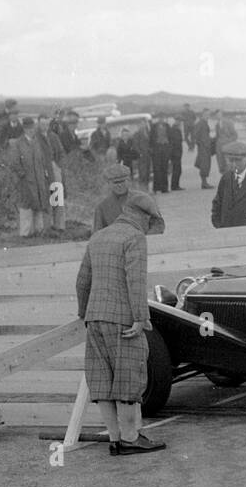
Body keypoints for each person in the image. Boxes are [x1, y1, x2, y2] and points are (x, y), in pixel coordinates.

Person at [76, 193, 166, 456]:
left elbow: (82, 282)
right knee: (129, 377)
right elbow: (135, 281)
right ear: (144, 217)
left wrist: (85, 313)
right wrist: (140, 318)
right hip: (123, 320)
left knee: (102, 378)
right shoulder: (134, 237)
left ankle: (114, 438)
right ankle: (130, 438)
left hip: (95, 317)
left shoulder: (98, 236)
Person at [94, 162, 166, 233]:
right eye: (116, 182)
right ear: (108, 183)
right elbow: (98, 232)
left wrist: (148, 235)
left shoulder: (143, 199)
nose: (119, 185)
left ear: (129, 181)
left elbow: (158, 223)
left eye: (122, 181)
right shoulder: (102, 207)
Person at [14, 116, 52, 236]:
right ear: (24, 129)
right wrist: (22, 175)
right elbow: (14, 162)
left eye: (32, 128)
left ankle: (38, 231)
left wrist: (44, 175)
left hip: (39, 179)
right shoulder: (18, 143)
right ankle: (25, 233)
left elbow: (42, 159)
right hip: (26, 180)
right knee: (26, 206)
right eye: (27, 128)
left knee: (39, 204)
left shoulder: (37, 142)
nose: (30, 130)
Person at [36, 114, 67, 233]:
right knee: (46, 198)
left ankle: (59, 225)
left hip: (54, 168)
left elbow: (61, 152)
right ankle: (47, 227)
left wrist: (58, 165)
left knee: (57, 197)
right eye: (42, 124)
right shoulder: (36, 137)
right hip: (42, 169)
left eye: (46, 124)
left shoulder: (53, 136)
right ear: (38, 124)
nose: (45, 127)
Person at [194, 109, 215, 188]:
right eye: (206, 114)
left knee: (206, 164)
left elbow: (205, 135)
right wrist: (201, 144)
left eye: (208, 114)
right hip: (203, 147)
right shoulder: (200, 123)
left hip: (206, 146)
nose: (207, 116)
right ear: (202, 114)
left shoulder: (204, 123)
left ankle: (204, 182)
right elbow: (196, 135)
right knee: (204, 164)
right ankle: (204, 183)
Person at [149, 114, 170, 193]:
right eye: (160, 118)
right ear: (158, 118)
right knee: (157, 170)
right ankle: (156, 188)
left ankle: (165, 188)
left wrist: (169, 149)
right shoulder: (153, 126)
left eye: (163, 118)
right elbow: (151, 138)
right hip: (157, 149)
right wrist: (152, 150)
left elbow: (170, 137)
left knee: (164, 169)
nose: (161, 119)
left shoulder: (167, 126)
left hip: (165, 148)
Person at [215, 109, 238, 176]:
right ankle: (225, 179)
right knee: (221, 164)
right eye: (216, 115)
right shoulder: (217, 125)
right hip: (219, 148)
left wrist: (227, 142)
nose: (218, 116)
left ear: (222, 114)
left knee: (229, 164)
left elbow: (235, 136)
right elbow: (217, 136)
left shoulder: (229, 123)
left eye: (219, 114)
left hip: (227, 147)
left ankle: (231, 180)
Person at [168, 115, 184, 190]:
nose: (180, 122)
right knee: (176, 170)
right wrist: (172, 154)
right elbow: (173, 143)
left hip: (177, 153)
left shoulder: (177, 129)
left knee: (178, 170)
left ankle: (176, 185)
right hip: (175, 153)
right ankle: (174, 186)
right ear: (176, 121)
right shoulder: (174, 129)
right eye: (179, 121)